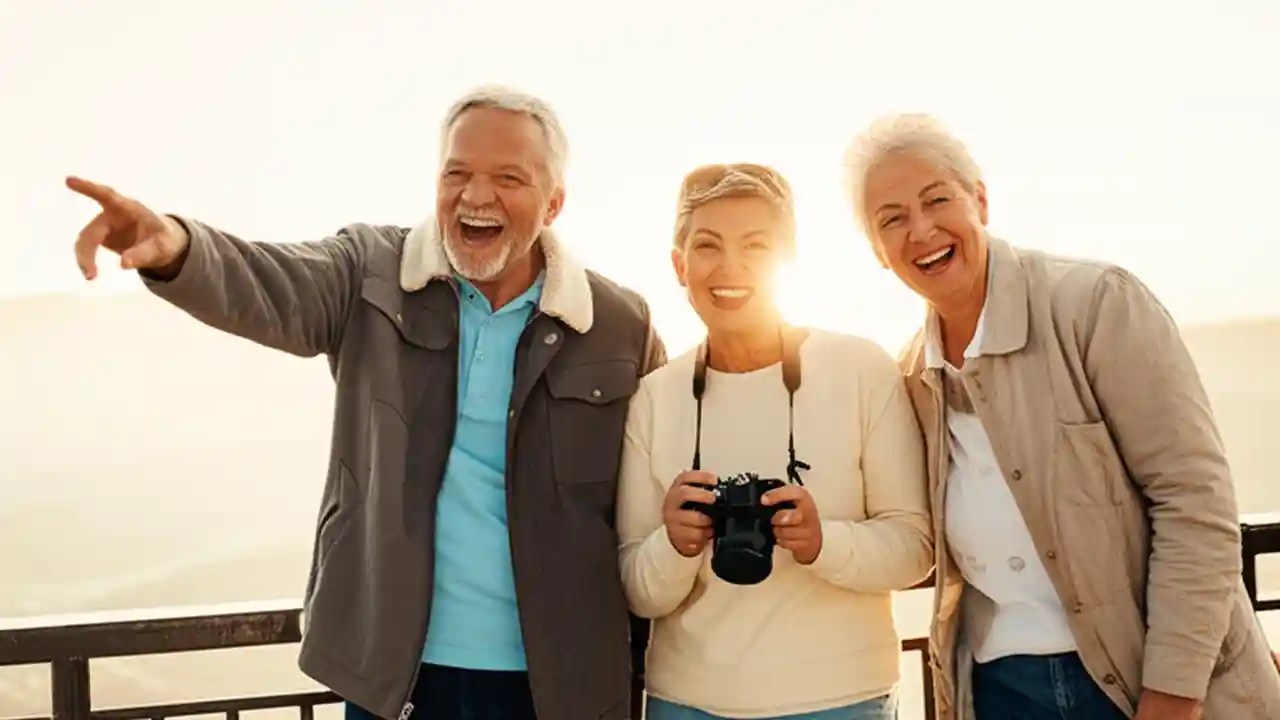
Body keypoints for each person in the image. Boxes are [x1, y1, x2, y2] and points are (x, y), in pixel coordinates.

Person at [67, 86, 666, 720]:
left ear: (554, 203)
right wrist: (177, 247)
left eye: (507, 178)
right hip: (399, 677)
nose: (476, 195)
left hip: (559, 684)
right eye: (456, 172)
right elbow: (268, 280)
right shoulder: (370, 273)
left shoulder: (617, 322)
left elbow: (668, 457)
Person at [843, 113, 1280, 720]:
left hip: (1146, 685)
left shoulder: (1097, 305)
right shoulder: (913, 375)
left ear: (980, 201)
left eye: (936, 200)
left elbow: (1195, 503)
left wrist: (1172, 696)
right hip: (1002, 693)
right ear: (877, 252)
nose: (921, 230)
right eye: (891, 219)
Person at [616, 162, 933, 720]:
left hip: (842, 701)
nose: (731, 267)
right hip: (685, 703)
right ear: (678, 265)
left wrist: (819, 541)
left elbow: (915, 547)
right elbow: (639, 591)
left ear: (788, 262)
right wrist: (676, 543)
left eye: (756, 246)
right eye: (708, 245)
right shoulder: (654, 397)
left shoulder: (860, 370)